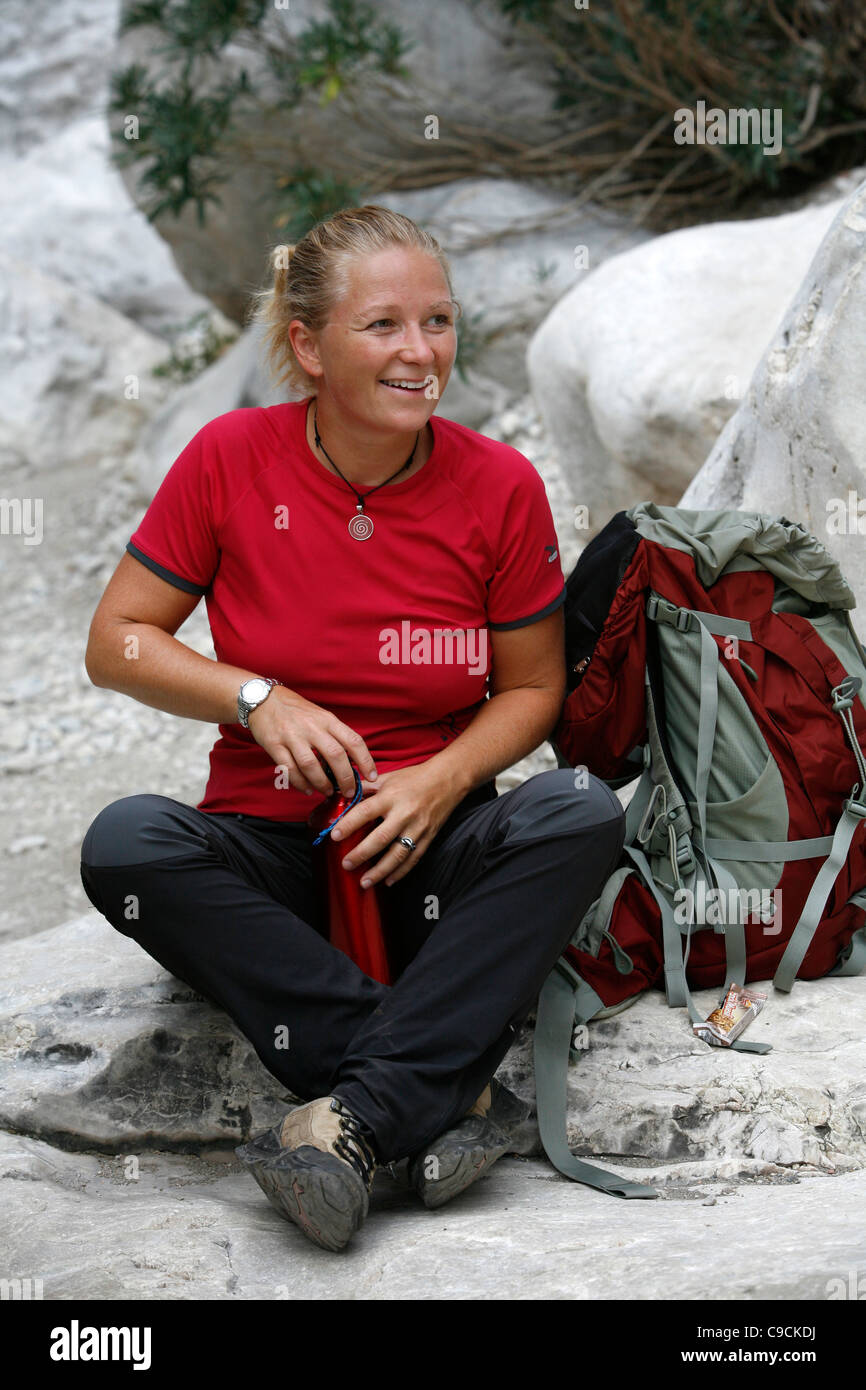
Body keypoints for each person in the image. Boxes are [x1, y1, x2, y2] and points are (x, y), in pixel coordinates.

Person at [79, 205, 625, 1253]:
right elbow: (119, 641)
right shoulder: (230, 459)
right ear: (305, 344)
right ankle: (443, 1094)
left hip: (428, 850)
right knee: (126, 842)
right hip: (275, 854)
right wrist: (256, 698)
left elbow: (531, 691)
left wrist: (438, 781)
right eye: (382, 326)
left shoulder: (497, 487)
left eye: (437, 321)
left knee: (577, 810)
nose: (420, 353)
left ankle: (355, 1118)